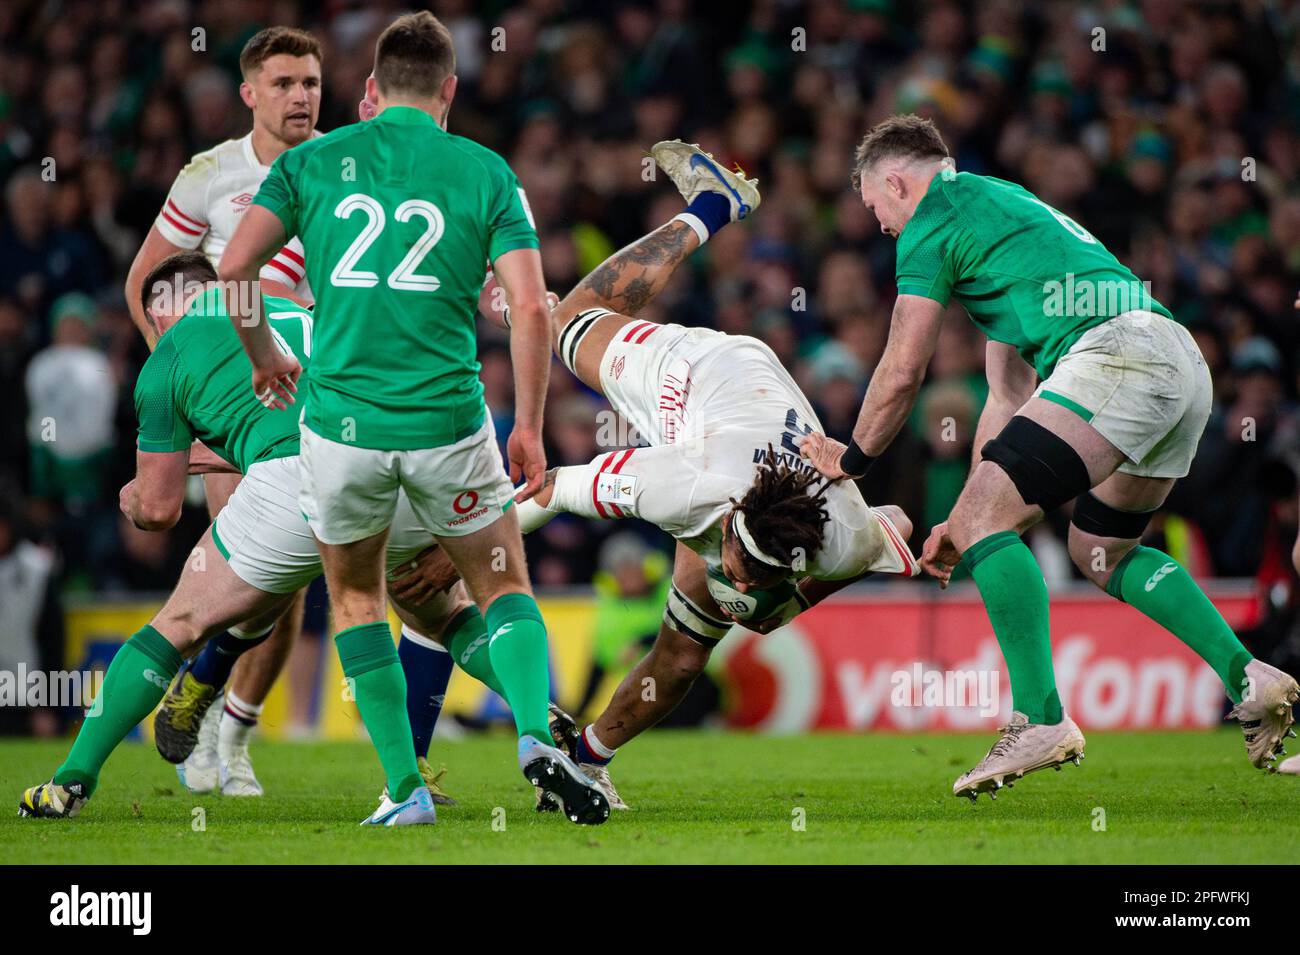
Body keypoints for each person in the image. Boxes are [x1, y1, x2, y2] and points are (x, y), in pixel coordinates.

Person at [389, 139, 918, 809]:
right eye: (739, 562)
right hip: (705, 380)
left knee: (684, 657)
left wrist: (793, 598)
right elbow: (550, 488)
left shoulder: (840, 530)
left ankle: (585, 759)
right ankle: (710, 206)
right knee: (567, 322)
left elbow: (892, 527)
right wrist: (462, 554)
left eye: (759, 572)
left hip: (756, 433)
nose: (740, 577)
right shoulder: (679, 484)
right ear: (727, 524)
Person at [796, 114, 1299, 800]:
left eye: (873, 206)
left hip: (1118, 355)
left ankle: (1040, 716)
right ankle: (1248, 675)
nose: (880, 224)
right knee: (1101, 550)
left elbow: (901, 368)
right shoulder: (1001, 215)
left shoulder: (932, 222)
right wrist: (965, 517)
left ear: (894, 181)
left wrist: (852, 458)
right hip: (1176, 360)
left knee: (991, 521)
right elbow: (1007, 397)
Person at [219, 11, 607, 825]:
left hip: (342, 430)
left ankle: (405, 791)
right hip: (451, 427)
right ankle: (537, 738)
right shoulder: (485, 170)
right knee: (501, 587)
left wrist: (262, 354)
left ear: (367, 91)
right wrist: (529, 424)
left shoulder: (313, 161)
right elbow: (531, 307)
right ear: (450, 91)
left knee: (358, 599)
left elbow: (234, 265)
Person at [19, 252, 472, 824]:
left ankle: (70, 782)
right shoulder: (294, 309)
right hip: (395, 469)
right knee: (435, 609)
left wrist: (132, 497)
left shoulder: (169, 358)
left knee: (180, 624)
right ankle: (533, 736)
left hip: (295, 480)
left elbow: (159, 511)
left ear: (161, 310)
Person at [121, 26, 326, 797]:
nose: (301, 96)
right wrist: (181, 383)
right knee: (243, 568)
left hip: (314, 388)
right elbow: (145, 280)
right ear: (249, 93)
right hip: (234, 395)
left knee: (291, 578)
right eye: (284, 83)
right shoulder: (210, 175)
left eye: (309, 82)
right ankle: (204, 717)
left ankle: (232, 728)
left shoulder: (341, 168)